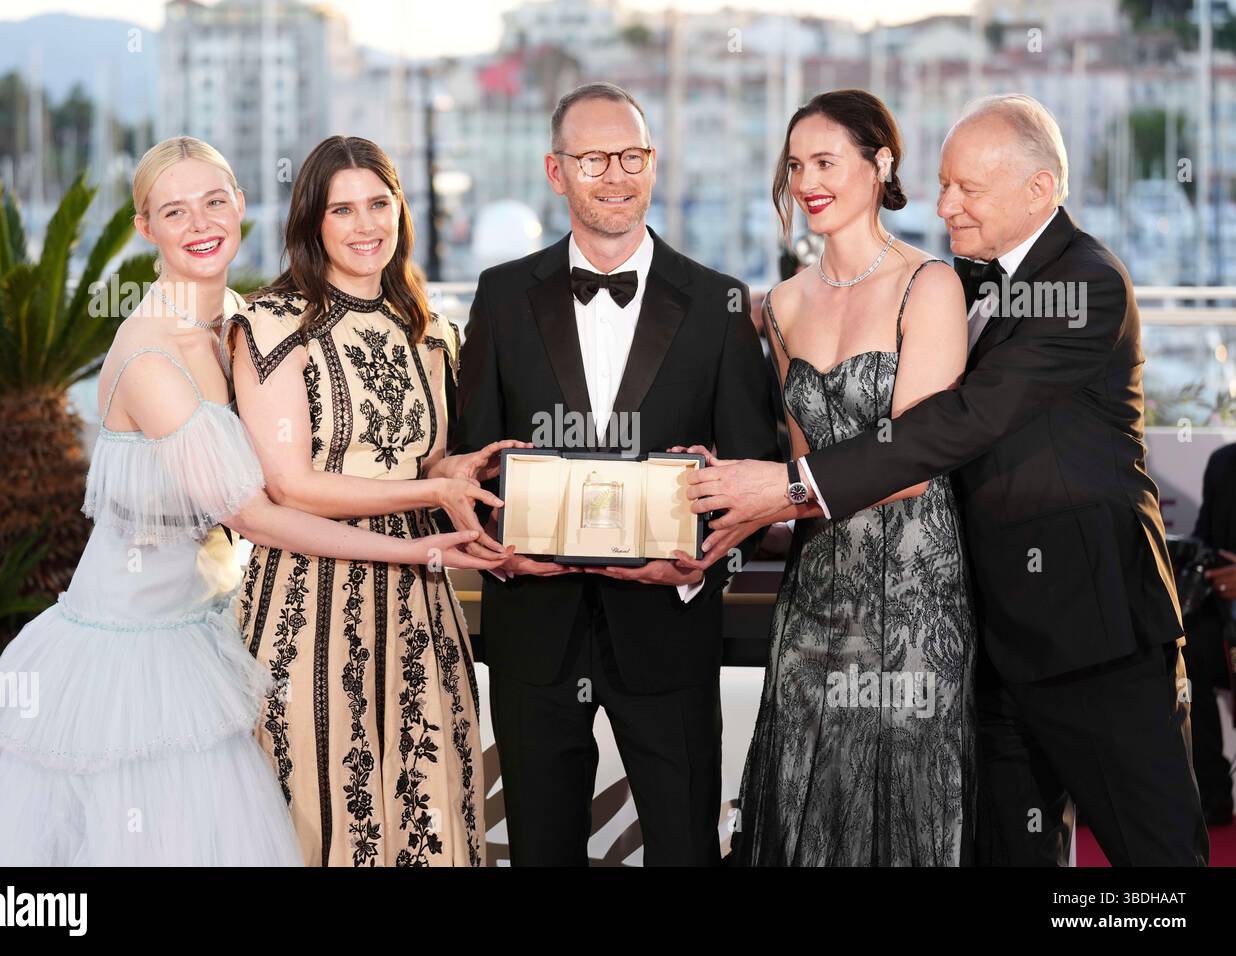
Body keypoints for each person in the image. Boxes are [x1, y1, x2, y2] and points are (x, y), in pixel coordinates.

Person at [689, 94, 1209, 866]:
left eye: (968, 189)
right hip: (985, 637)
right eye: (943, 185)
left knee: (1158, 867)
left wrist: (792, 486)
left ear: (1040, 189)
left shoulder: (1085, 282)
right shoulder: (969, 277)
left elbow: (955, 423)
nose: (945, 204)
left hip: (1091, 635)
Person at [0, 136, 493, 866]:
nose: (201, 223)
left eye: (215, 201)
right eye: (174, 211)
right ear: (146, 229)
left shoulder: (242, 320)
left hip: (216, 622)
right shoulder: (149, 351)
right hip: (135, 644)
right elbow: (255, 511)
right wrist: (416, 545)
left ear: (242, 205)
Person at [455, 82, 781, 866]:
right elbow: (469, 462)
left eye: (632, 156)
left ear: (653, 164)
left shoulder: (722, 304)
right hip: (536, 629)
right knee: (540, 852)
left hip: (670, 628)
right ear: (555, 171)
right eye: (594, 157)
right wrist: (497, 546)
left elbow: (752, 470)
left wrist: (702, 560)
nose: (616, 174)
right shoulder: (501, 295)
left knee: (685, 850)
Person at [677, 90, 976, 865]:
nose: (807, 180)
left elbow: (911, 463)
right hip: (815, 598)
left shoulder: (929, 284)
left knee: (904, 815)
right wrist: (714, 520)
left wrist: (772, 487)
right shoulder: (776, 308)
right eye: (796, 164)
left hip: (915, 599)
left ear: (881, 164)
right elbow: (800, 467)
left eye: (826, 161)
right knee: (804, 805)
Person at [228, 135, 514, 868]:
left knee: (429, 810)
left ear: (401, 209)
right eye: (342, 209)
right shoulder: (269, 325)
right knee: (323, 813)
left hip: (421, 609)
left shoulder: (431, 331)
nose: (365, 225)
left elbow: (425, 458)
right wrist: (432, 487)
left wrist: (467, 468)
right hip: (306, 607)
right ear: (312, 222)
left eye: (379, 203)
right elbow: (289, 483)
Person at [1187, 442, 1236, 824]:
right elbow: (1202, 539)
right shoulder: (1222, 462)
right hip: (1222, 619)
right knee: (1184, 646)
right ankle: (1212, 790)